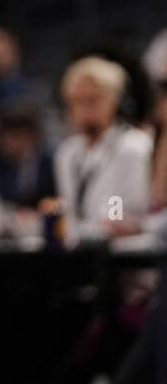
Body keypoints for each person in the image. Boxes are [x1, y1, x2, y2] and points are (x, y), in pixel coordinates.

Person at [54, 55, 153, 246]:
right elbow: (69, 214)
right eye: (76, 101)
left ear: (116, 102)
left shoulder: (134, 147)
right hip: (79, 254)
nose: (83, 109)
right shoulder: (67, 153)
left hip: (124, 256)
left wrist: (110, 222)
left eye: (92, 100)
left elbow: (124, 215)